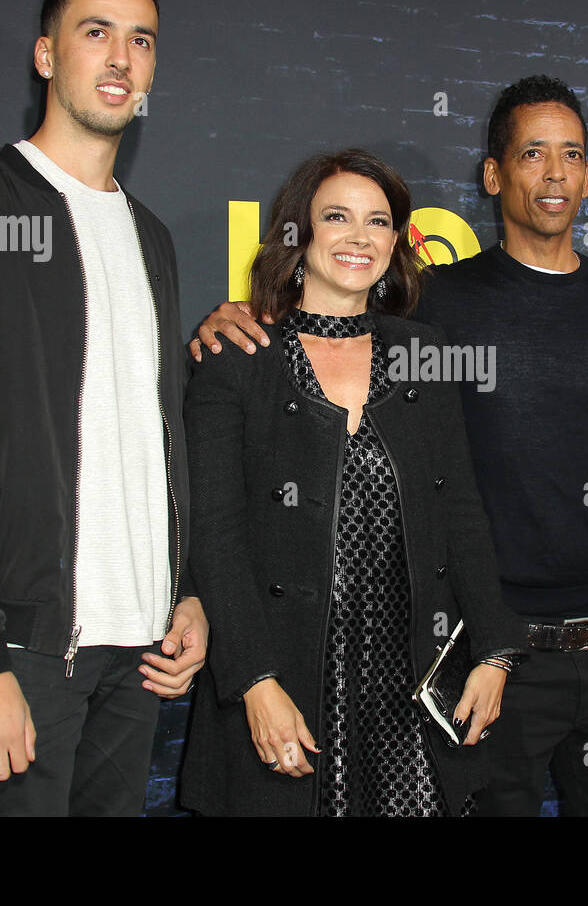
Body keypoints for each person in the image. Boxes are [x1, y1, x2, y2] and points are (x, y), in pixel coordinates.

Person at [192, 78, 588, 817]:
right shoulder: (437, 310)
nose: (556, 172)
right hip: (465, 655)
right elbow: (222, 517)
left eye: (573, 153)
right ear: (496, 175)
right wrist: (242, 314)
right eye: (534, 152)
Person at [0, 0, 207, 816]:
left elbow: (156, 434)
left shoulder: (154, 238)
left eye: (140, 40)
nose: (120, 58)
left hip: (139, 654)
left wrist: (185, 589)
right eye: (95, 32)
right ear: (45, 55)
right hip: (23, 653)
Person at [178, 149, 526, 817]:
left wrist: (495, 651)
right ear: (298, 232)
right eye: (336, 216)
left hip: (409, 686)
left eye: (379, 221)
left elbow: (462, 514)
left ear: (397, 241)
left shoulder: (424, 353)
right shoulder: (237, 358)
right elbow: (216, 537)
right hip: (288, 681)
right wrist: (254, 680)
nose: (359, 236)